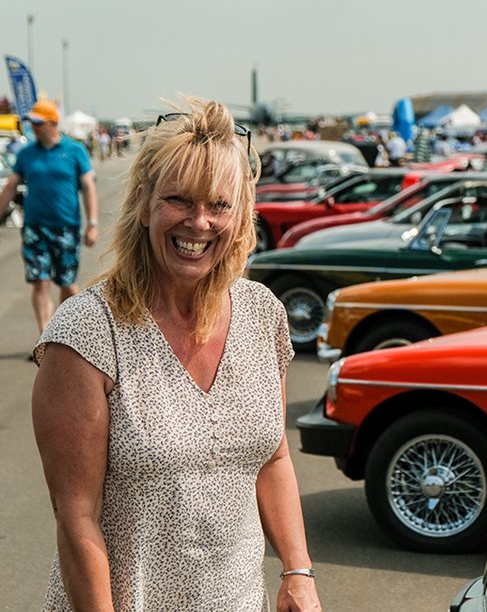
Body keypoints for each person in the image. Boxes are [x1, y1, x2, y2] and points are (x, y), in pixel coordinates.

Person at [30, 97, 323, 611]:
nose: (200, 223)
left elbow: (273, 457)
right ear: (143, 204)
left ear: (241, 214)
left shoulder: (262, 315)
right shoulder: (86, 332)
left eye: (219, 205)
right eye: (180, 200)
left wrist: (298, 571)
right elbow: (76, 517)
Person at [0, 98, 99, 342]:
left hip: (66, 226)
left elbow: (88, 187)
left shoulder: (75, 150)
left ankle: (68, 330)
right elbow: (11, 185)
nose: (33, 127)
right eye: (32, 122)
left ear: (53, 123)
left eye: (38, 122)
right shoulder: (27, 154)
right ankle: (46, 336)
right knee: (40, 281)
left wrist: (92, 224)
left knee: (66, 283)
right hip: (35, 226)